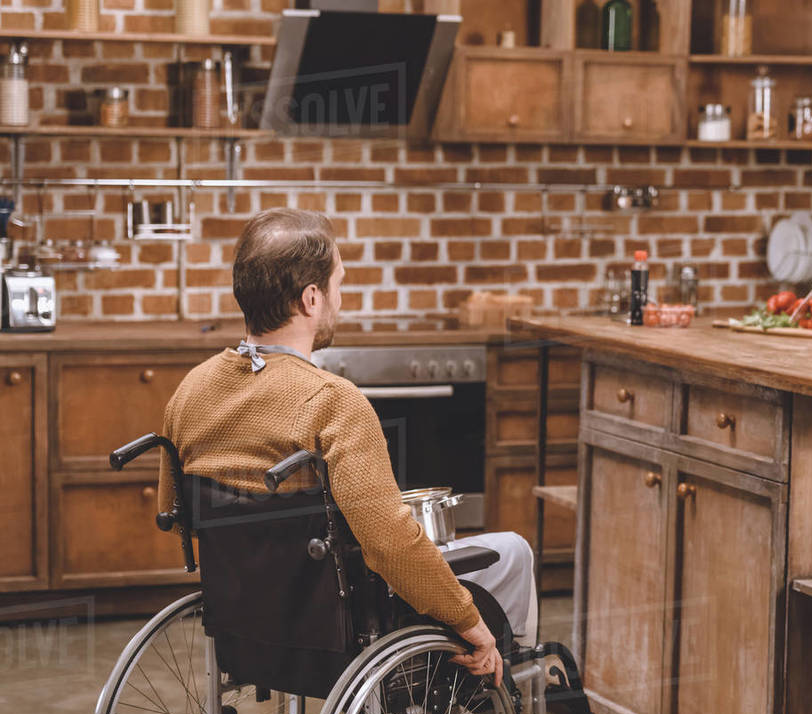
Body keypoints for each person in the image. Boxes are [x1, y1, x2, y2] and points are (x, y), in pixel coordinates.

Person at [156, 208, 536, 687]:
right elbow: (389, 544)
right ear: (311, 298)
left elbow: (174, 513)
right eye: (339, 284)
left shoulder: (191, 390)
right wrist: (469, 623)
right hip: (339, 621)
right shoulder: (332, 401)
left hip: (245, 618)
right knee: (512, 551)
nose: (341, 298)